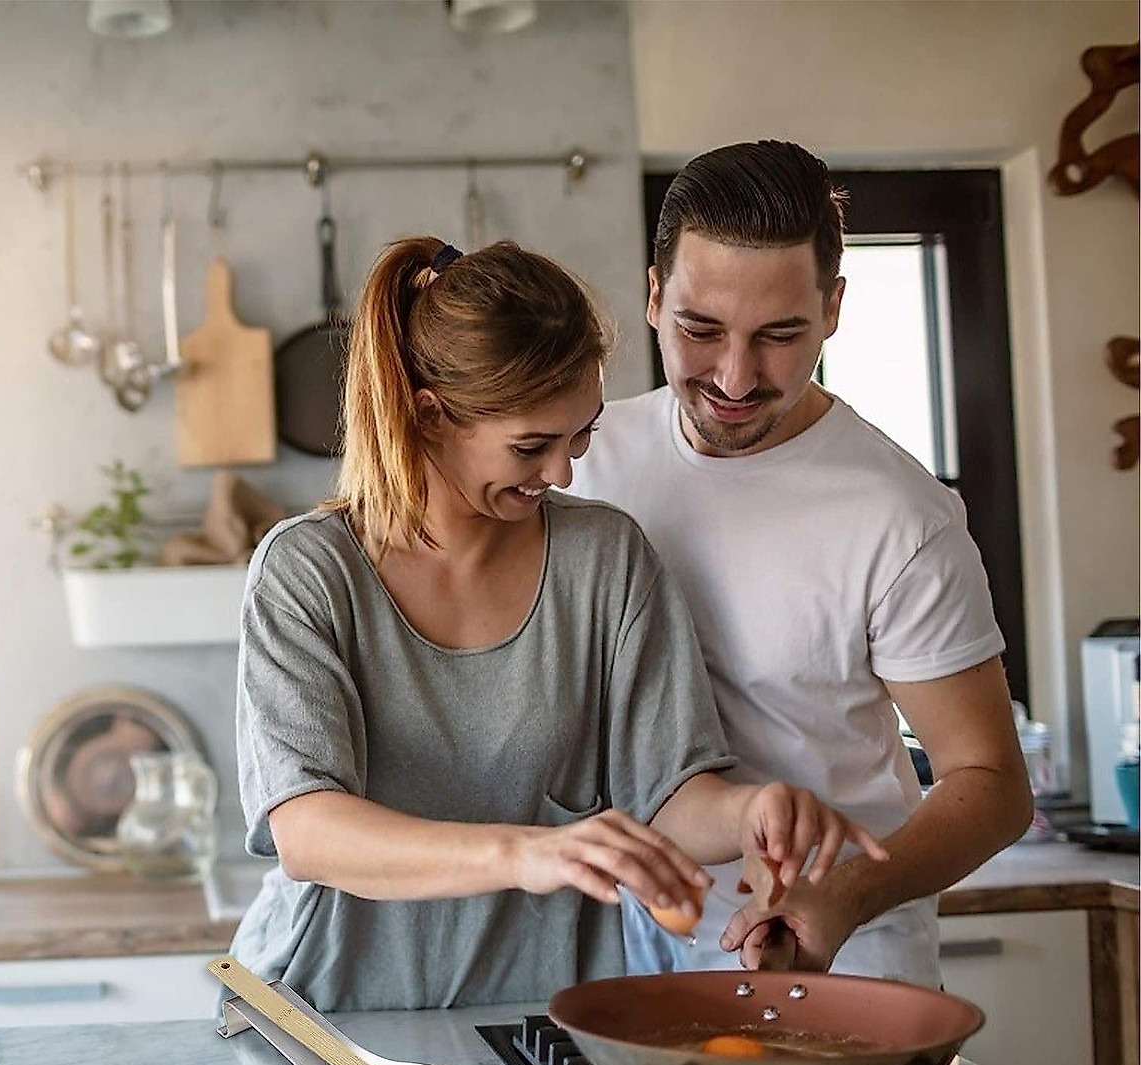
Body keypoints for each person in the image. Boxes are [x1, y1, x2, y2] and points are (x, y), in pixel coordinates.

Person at [227, 235, 884, 1013]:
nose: (563, 473)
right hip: (331, 1017)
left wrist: (752, 811)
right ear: (429, 416)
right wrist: (528, 851)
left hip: (550, 1016)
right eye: (531, 446)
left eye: (581, 436)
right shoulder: (308, 572)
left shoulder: (605, 558)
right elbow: (308, 832)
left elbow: (666, 798)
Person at [570, 142, 1033, 988]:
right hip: (617, 960)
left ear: (832, 310)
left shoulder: (899, 516)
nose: (736, 377)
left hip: (840, 965)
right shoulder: (588, 462)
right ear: (650, 297)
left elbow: (992, 781)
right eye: (699, 331)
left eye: (780, 336)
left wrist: (851, 894)